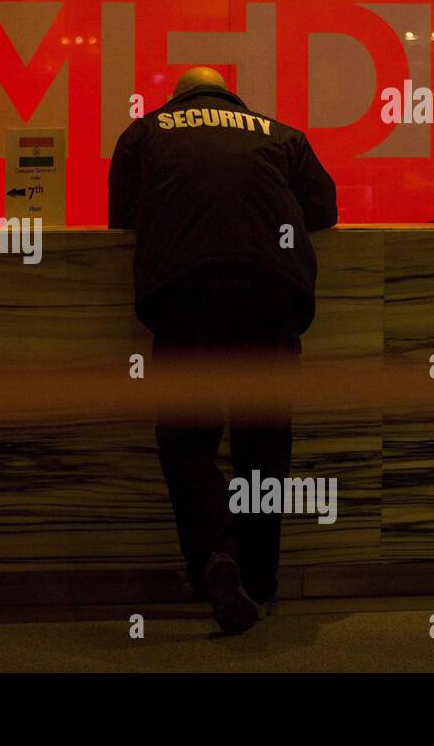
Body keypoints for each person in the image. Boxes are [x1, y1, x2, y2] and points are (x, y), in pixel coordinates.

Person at [108, 66, 337, 635]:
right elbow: (325, 212)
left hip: (186, 296)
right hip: (272, 294)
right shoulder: (279, 133)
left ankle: (216, 555)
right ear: (233, 98)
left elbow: (123, 218)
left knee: (187, 439)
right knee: (265, 439)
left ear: (177, 99)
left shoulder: (144, 133)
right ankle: (259, 578)